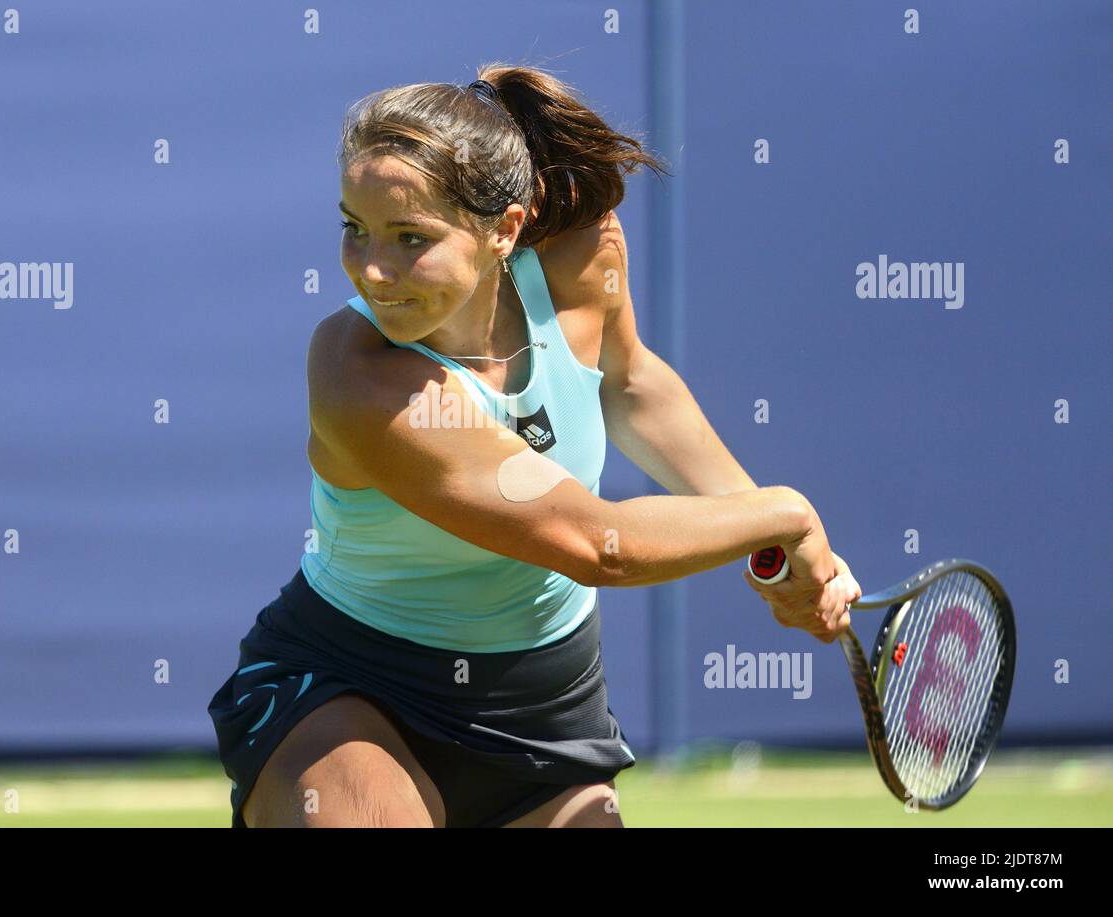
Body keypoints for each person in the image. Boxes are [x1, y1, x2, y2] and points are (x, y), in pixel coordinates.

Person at [208, 64, 862, 828]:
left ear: (505, 229)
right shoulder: (358, 375)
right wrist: (784, 515)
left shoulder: (584, 256)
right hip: (347, 689)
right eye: (354, 228)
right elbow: (594, 543)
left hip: (545, 710)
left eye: (410, 238)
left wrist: (769, 545)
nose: (372, 269)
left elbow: (628, 382)